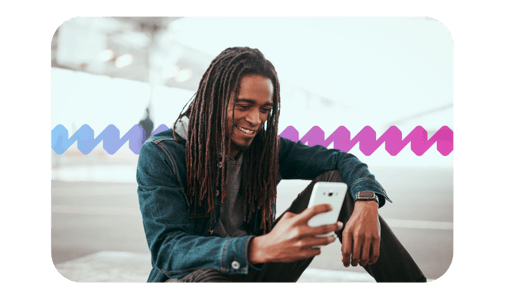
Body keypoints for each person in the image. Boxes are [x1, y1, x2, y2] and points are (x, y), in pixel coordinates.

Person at [136, 47, 426, 283]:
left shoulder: (265, 148)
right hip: (191, 278)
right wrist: (258, 247)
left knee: (336, 180)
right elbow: (168, 249)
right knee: (209, 276)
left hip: (258, 270)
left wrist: (367, 201)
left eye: (265, 110)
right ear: (212, 100)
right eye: (243, 105)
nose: (255, 120)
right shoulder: (163, 153)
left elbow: (340, 160)